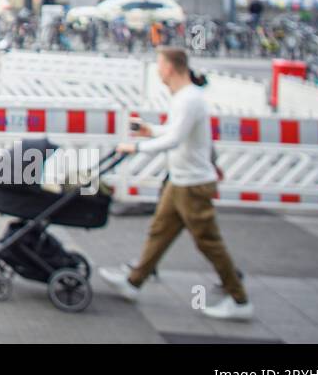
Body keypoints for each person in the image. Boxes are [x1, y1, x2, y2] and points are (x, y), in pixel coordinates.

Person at [99, 48, 253, 321]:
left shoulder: (189, 99)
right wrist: (151, 130)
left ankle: (239, 299)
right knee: (160, 231)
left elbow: (174, 140)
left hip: (192, 184)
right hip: (181, 180)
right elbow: (174, 132)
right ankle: (134, 282)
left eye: (160, 65)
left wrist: (136, 147)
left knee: (208, 243)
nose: (158, 70)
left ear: (170, 68)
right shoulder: (185, 98)